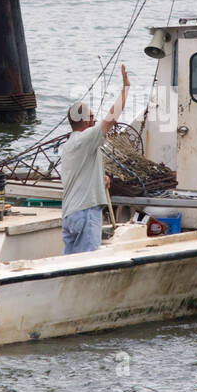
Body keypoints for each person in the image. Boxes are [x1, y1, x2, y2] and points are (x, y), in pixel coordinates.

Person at [59, 66, 130, 254]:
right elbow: (110, 120)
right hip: (85, 213)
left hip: (69, 215)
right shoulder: (85, 139)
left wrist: (101, 178)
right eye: (91, 117)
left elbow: (80, 174)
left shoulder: (69, 146)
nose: (94, 119)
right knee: (85, 263)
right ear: (85, 122)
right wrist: (126, 88)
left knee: (69, 265)